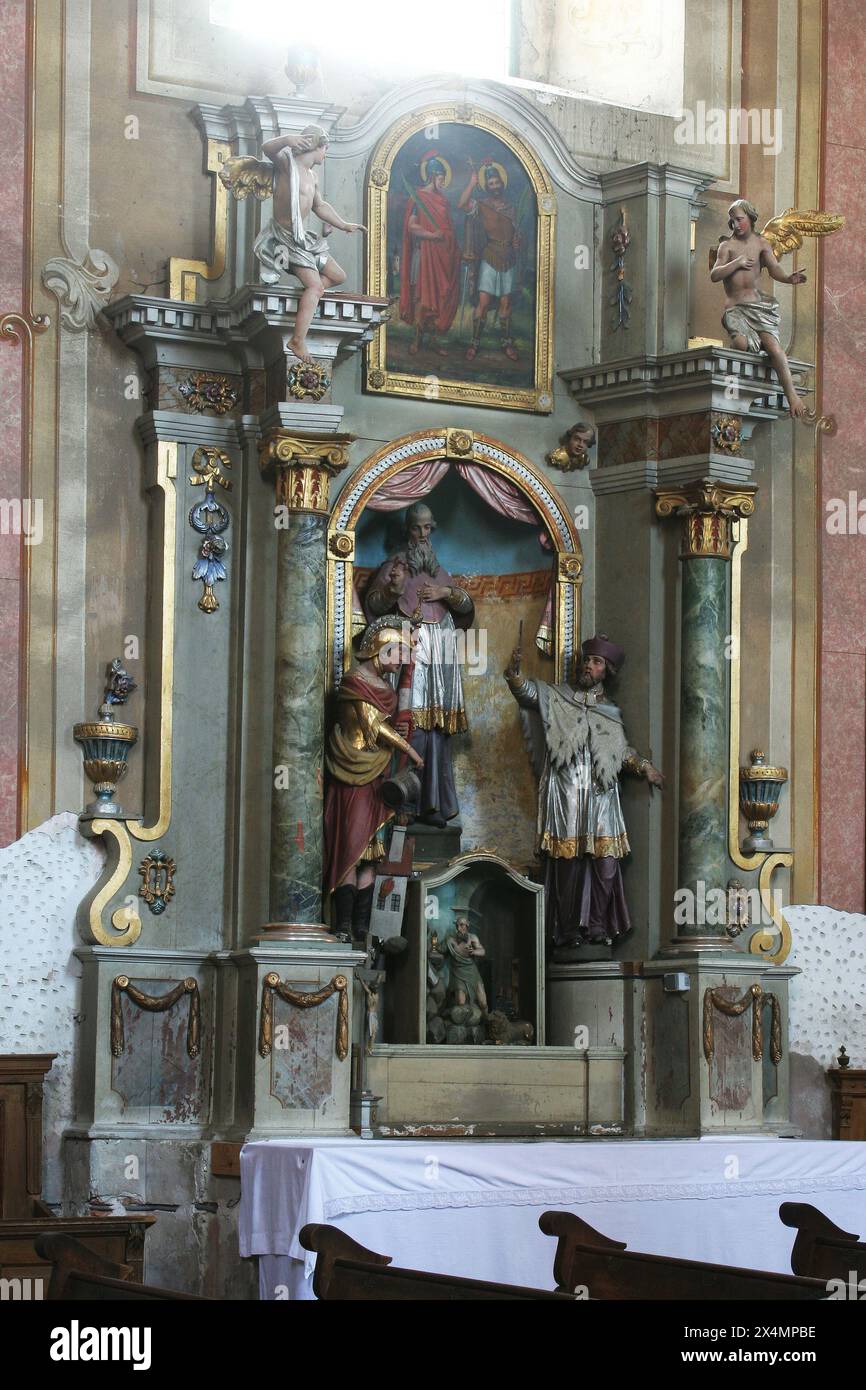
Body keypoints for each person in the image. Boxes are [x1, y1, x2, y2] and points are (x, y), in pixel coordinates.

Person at [505, 633, 664, 947]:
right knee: (568, 863)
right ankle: (568, 930)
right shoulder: (558, 696)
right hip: (567, 792)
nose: (588, 666)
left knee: (606, 863)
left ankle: (596, 926)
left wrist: (644, 766)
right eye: (587, 660)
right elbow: (528, 694)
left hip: (602, 795)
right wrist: (515, 674)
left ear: (607, 671)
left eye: (596, 662)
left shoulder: (610, 709)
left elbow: (621, 750)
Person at [364, 502, 473, 827]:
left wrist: (447, 592)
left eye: (428, 528)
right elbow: (372, 607)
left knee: (437, 731)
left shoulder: (440, 572)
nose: (423, 535)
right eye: (416, 528)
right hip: (407, 660)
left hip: (440, 661)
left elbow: (466, 609)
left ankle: (434, 804)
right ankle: (402, 804)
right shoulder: (394, 566)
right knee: (407, 726)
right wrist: (392, 589)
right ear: (408, 531)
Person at [324, 619, 423, 943]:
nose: (399, 663)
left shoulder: (386, 688)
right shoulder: (355, 681)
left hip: (377, 775)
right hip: (352, 770)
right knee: (350, 846)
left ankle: (361, 926)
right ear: (384, 649)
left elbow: (392, 723)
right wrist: (411, 750)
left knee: (371, 852)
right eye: (398, 655)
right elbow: (375, 727)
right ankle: (342, 924)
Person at [257, 124, 366, 361]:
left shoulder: (312, 176)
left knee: (338, 276)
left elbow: (319, 206)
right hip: (285, 239)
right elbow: (267, 148)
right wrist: (288, 139)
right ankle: (297, 340)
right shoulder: (287, 166)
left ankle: (308, 297)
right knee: (316, 287)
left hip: (303, 239)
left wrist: (344, 225)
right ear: (316, 145)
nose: (325, 154)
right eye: (325, 148)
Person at [711, 197, 807, 418]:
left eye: (740, 219)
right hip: (736, 309)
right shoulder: (727, 247)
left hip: (759, 307)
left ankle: (792, 395)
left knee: (775, 349)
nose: (736, 224)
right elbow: (715, 275)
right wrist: (736, 263)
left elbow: (774, 269)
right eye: (732, 221)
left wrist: (788, 278)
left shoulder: (761, 244)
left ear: (750, 219)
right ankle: (729, 382)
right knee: (740, 343)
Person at [458, 158, 522, 362]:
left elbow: (516, 234)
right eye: (491, 184)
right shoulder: (482, 205)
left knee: (506, 303)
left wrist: (518, 240)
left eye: (497, 183)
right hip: (489, 256)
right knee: (483, 303)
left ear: (502, 184)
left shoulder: (511, 208)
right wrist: (471, 182)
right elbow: (461, 204)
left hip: (509, 259)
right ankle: (474, 343)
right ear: (487, 186)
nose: (495, 187)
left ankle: (506, 343)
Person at [399, 153, 462, 356]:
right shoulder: (419, 198)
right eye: (441, 178)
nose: (443, 182)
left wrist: (449, 242)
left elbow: (448, 229)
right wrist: (432, 235)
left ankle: (433, 340)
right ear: (433, 176)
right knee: (421, 298)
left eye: (444, 178)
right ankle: (417, 339)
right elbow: (411, 227)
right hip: (424, 255)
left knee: (440, 299)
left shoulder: (443, 201)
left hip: (442, 257)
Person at [444, 910, 488, 1013]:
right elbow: (441, 950)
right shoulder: (450, 940)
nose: (459, 928)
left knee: (483, 1002)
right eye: (457, 926)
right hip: (458, 972)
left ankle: (487, 1021)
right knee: (461, 1003)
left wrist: (474, 951)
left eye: (462, 925)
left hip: (472, 972)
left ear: (467, 925)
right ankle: (464, 1025)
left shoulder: (472, 938)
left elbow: (482, 951)